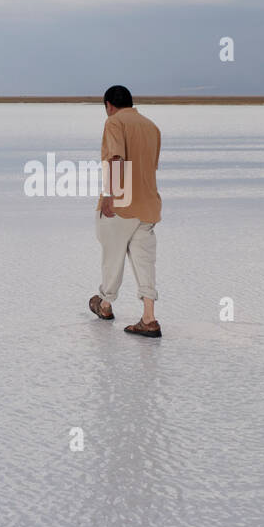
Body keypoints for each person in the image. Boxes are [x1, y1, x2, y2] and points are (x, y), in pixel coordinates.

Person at [88, 85, 162, 338]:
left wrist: (110, 195)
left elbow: (117, 158)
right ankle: (149, 318)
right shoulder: (152, 127)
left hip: (121, 204)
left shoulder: (114, 123)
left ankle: (105, 304)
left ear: (109, 105)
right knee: (145, 262)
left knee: (112, 255)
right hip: (148, 205)